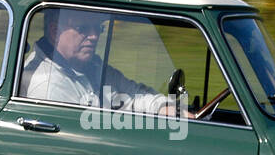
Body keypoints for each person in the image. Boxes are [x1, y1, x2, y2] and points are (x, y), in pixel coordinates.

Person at [26, 8, 184, 115]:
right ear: (55, 32)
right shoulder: (48, 86)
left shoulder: (90, 67)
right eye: (83, 29)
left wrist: (171, 110)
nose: (94, 36)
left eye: (98, 28)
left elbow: (132, 95)